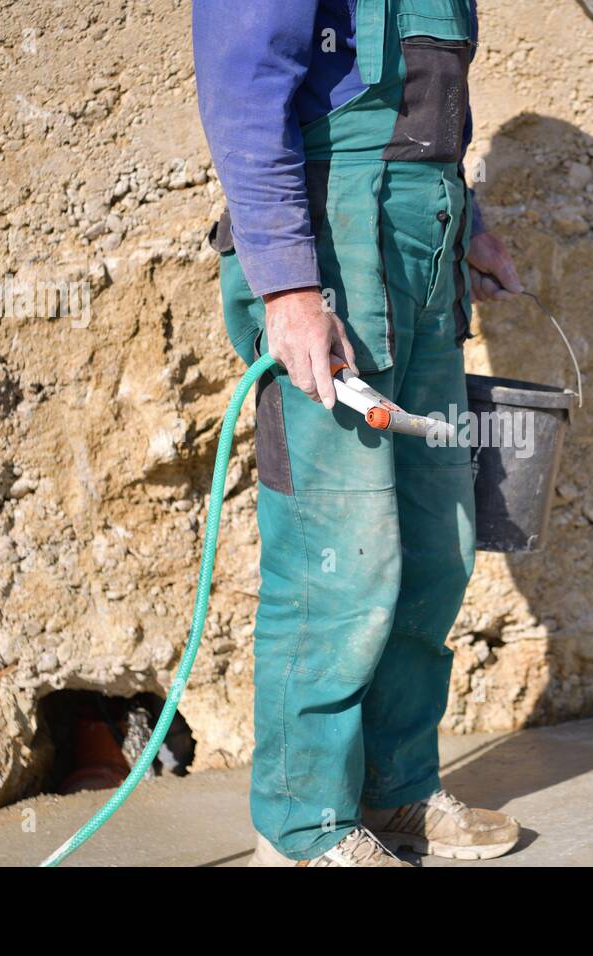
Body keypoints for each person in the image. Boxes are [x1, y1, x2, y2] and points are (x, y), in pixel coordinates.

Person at [193, 0, 524, 866]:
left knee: (437, 542)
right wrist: (289, 289)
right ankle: (303, 830)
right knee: (337, 552)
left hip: (424, 247)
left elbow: (429, 109)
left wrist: (471, 227)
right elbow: (244, 92)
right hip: (333, 243)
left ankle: (398, 788)